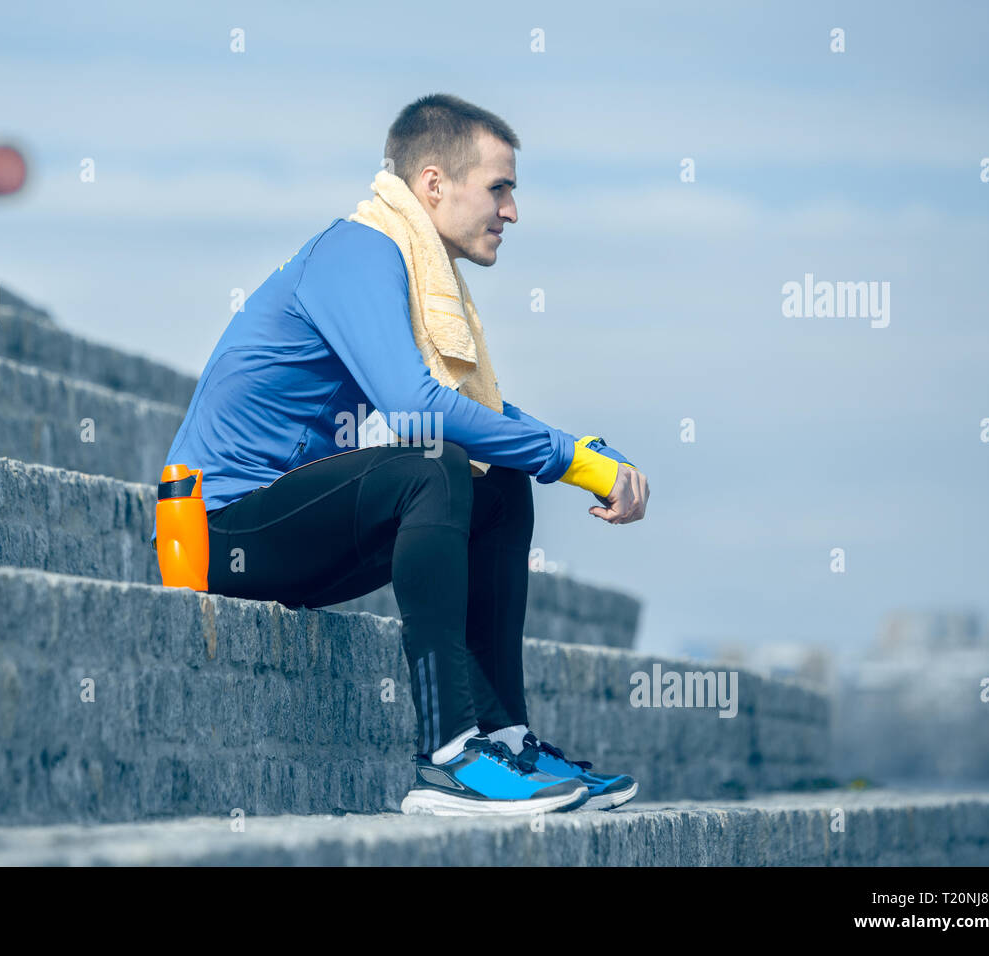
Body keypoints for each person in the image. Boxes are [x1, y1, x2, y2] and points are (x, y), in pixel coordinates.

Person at [153, 93, 649, 816]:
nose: (512, 212)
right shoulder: (357, 252)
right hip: (213, 532)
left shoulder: (405, 266)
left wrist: (577, 451)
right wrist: (573, 461)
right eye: (500, 188)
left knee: (499, 474)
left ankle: (503, 739)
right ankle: (448, 759)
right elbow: (420, 409)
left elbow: (469, 411)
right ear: (434, 184)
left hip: (290, 531)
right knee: (434, 462)